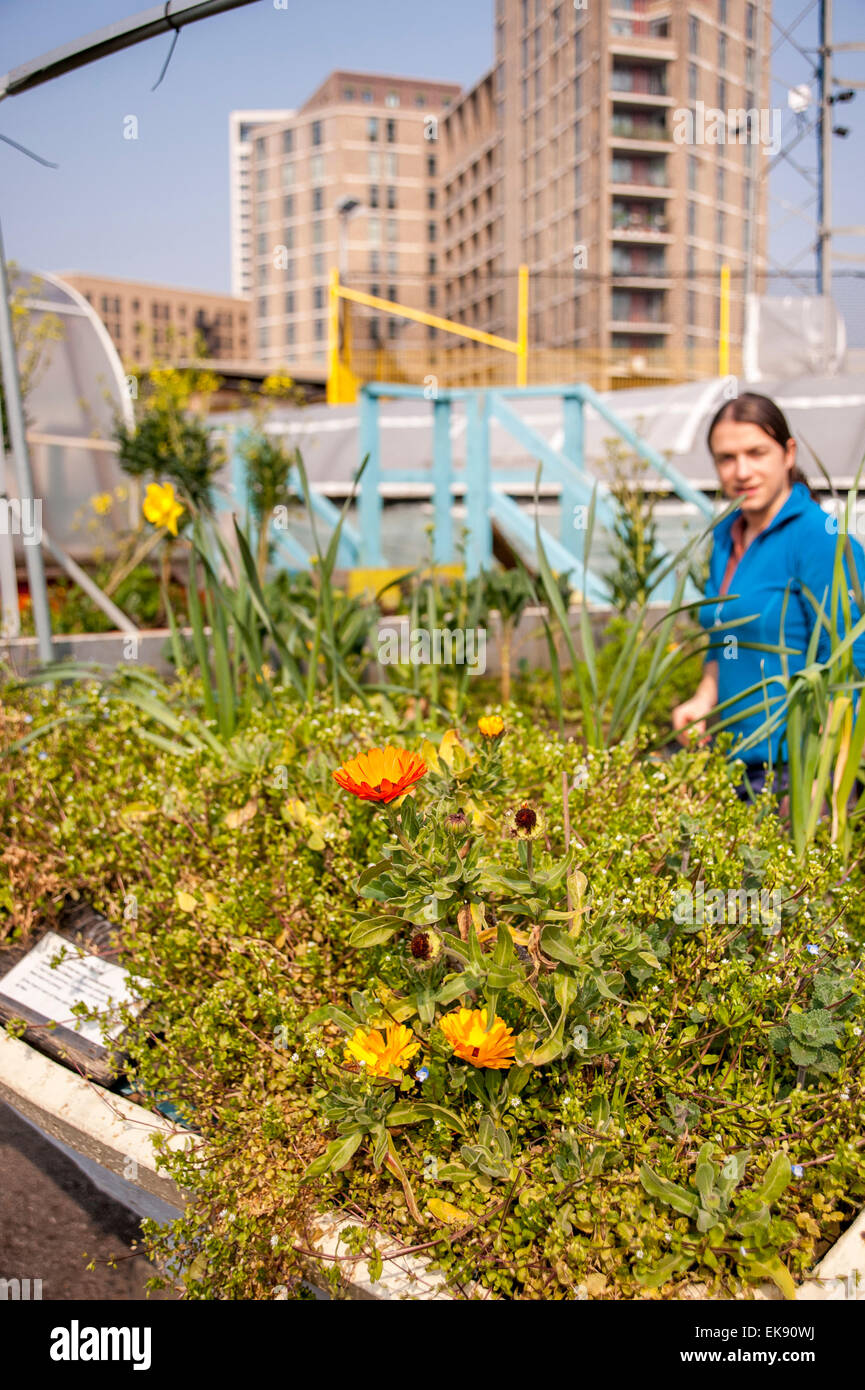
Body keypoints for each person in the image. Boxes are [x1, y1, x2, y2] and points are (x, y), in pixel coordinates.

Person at [671, 391, 865, 800]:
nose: (742, 470)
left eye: (756, 452)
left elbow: (852, 661)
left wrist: (827, 774)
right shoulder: (725, 536)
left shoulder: (819, 538)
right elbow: (722, 639)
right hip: (731, 765)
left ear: (788, 453)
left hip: (798, 773)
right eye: (727, 458)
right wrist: (703, 700)